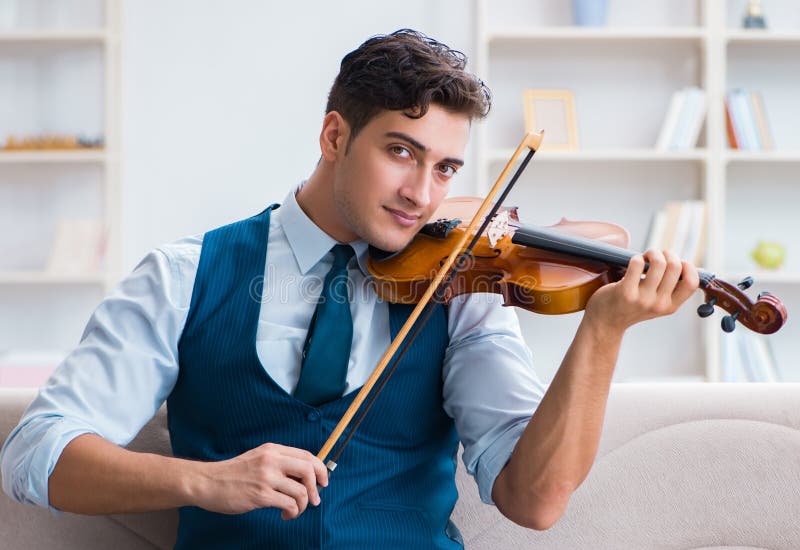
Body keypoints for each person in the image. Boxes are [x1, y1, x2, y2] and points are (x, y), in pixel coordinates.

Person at [1, 29, 699, 549]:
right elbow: (38, 453)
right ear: (335, 135)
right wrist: (202, 481)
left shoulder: (463, 288)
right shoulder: (183, 276)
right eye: (401, 152)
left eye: (447, 168)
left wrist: (603, 331)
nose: (422, 195)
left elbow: (534, 501)